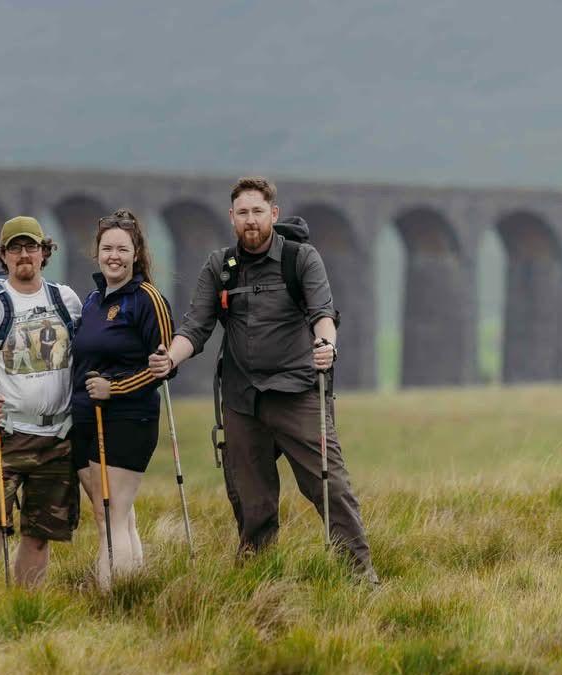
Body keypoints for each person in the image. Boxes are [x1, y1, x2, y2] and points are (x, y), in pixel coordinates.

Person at [148, 177, 379, 584]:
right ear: (231, 218)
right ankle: (257, 585)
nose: (250, 221)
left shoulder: (301, 258)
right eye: (242, 213)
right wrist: (170, 358)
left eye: (258, 212)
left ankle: (360, 580)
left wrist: (326, 345)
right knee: (251, 504)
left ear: (273, 213)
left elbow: (322, 312)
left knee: (332, 490)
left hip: (298, 394)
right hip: (243, 401)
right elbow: (196, 327)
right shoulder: (219, 267)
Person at [0, 216, 83, 591]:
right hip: (6, 432)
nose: (24, 255)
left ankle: (25, 609)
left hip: (57, 434)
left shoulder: (67, 300)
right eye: (15, 248)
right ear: (3, 255)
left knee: (39, 534)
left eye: (31, 247)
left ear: (45, 252)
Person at [71, 209, 175, 589]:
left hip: (128, 419)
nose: (113, 256)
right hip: (85, 418)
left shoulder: (148, 299)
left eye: (122, 249)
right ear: (97, 252)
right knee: (111, 516)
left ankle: (113, 598)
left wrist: (114, 389)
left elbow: (164, 368)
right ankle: (132, 590)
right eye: (107, 248)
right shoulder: (92, 300)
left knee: (112, 515)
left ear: (136, 253)